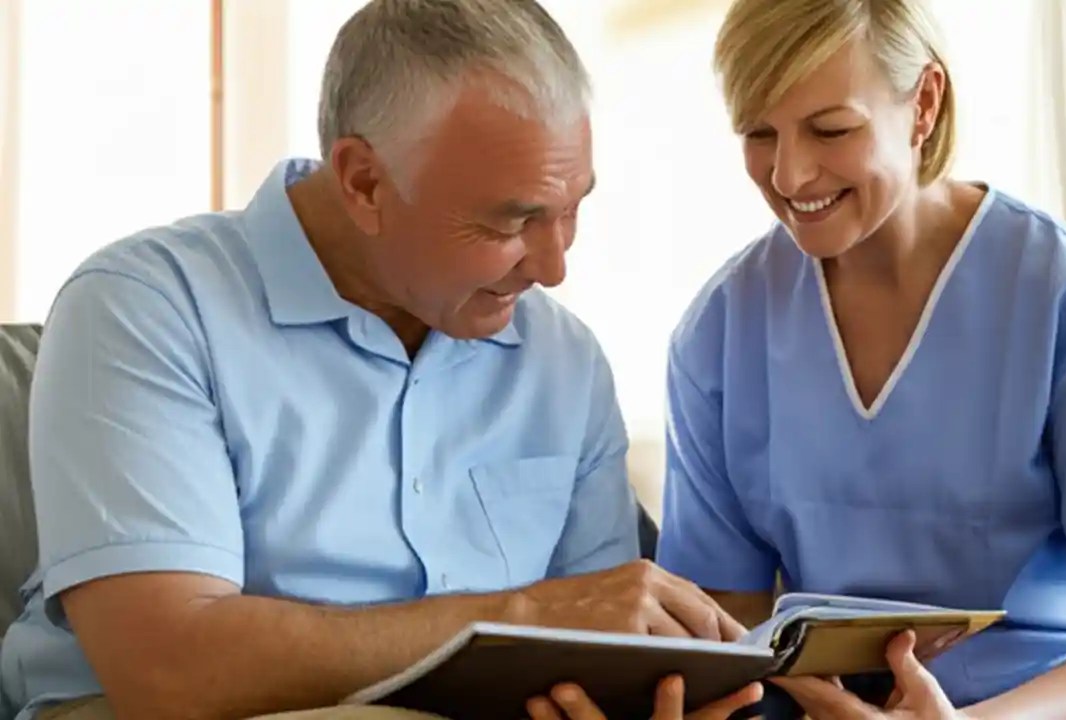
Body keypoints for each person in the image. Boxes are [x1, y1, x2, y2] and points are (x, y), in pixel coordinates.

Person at [0, 2, 764, 719]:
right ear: (365, 181)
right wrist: (520, 618)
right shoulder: (147, 308)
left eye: (572, 210)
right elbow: (167, 670)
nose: (554, 266)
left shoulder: (561, 359)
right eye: (515, 219)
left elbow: (597, 640)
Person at [655, 0, 1066, 718]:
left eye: (831, 129)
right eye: (759, 133)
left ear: (923, 104)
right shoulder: (719, 332)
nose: (790, 174)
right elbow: (725, 648)